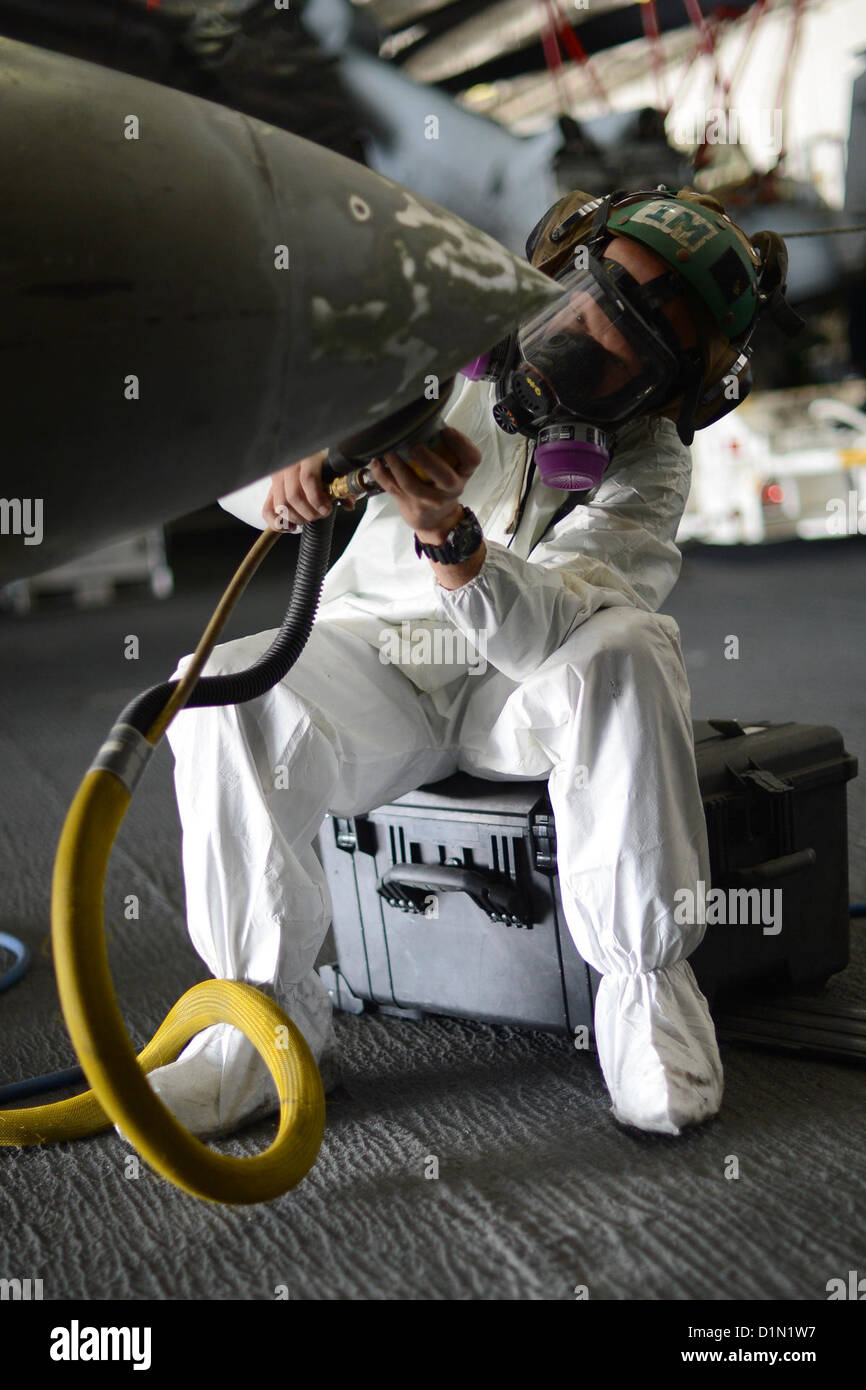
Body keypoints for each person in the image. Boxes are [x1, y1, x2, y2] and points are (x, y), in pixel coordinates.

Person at [148, 186, 798, 1139]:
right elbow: (255, 454)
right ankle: (259, 1026)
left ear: (667, 395)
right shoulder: (445, 342)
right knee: (219, 696)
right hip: (381, 665)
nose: (584, 354)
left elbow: (558, 625)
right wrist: (294, 463)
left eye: (629, 358)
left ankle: (646, 999)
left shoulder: (650, 464)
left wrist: (450, 538)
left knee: (628, 645)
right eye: (587, 310)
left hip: (515, 699)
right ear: (557, 267)